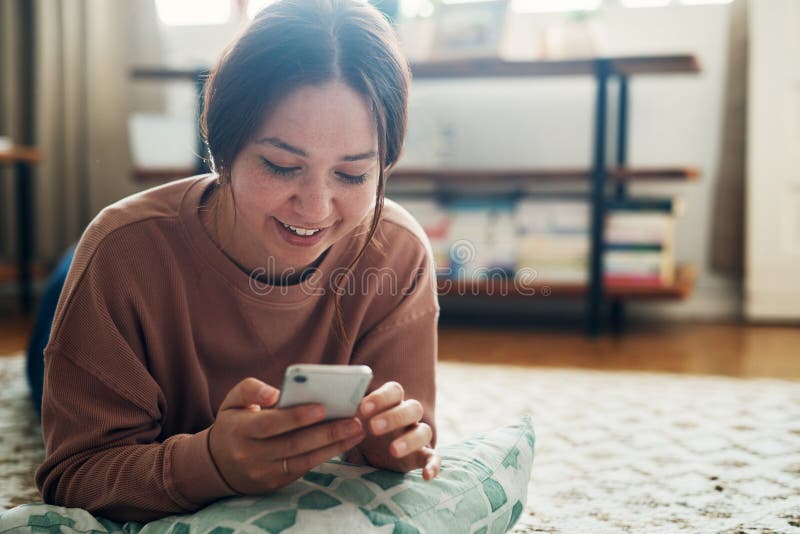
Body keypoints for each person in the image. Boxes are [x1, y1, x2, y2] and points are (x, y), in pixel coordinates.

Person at [35, 0, 440, 523]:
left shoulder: (396, 251)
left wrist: (392, 449)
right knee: (68, 288)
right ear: (221, 148)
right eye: (280, 165)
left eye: (353, 175)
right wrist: (211, 464)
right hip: (100, 274)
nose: (315, 209)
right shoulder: (121, 251)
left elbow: (414, 439)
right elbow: (73, 474)